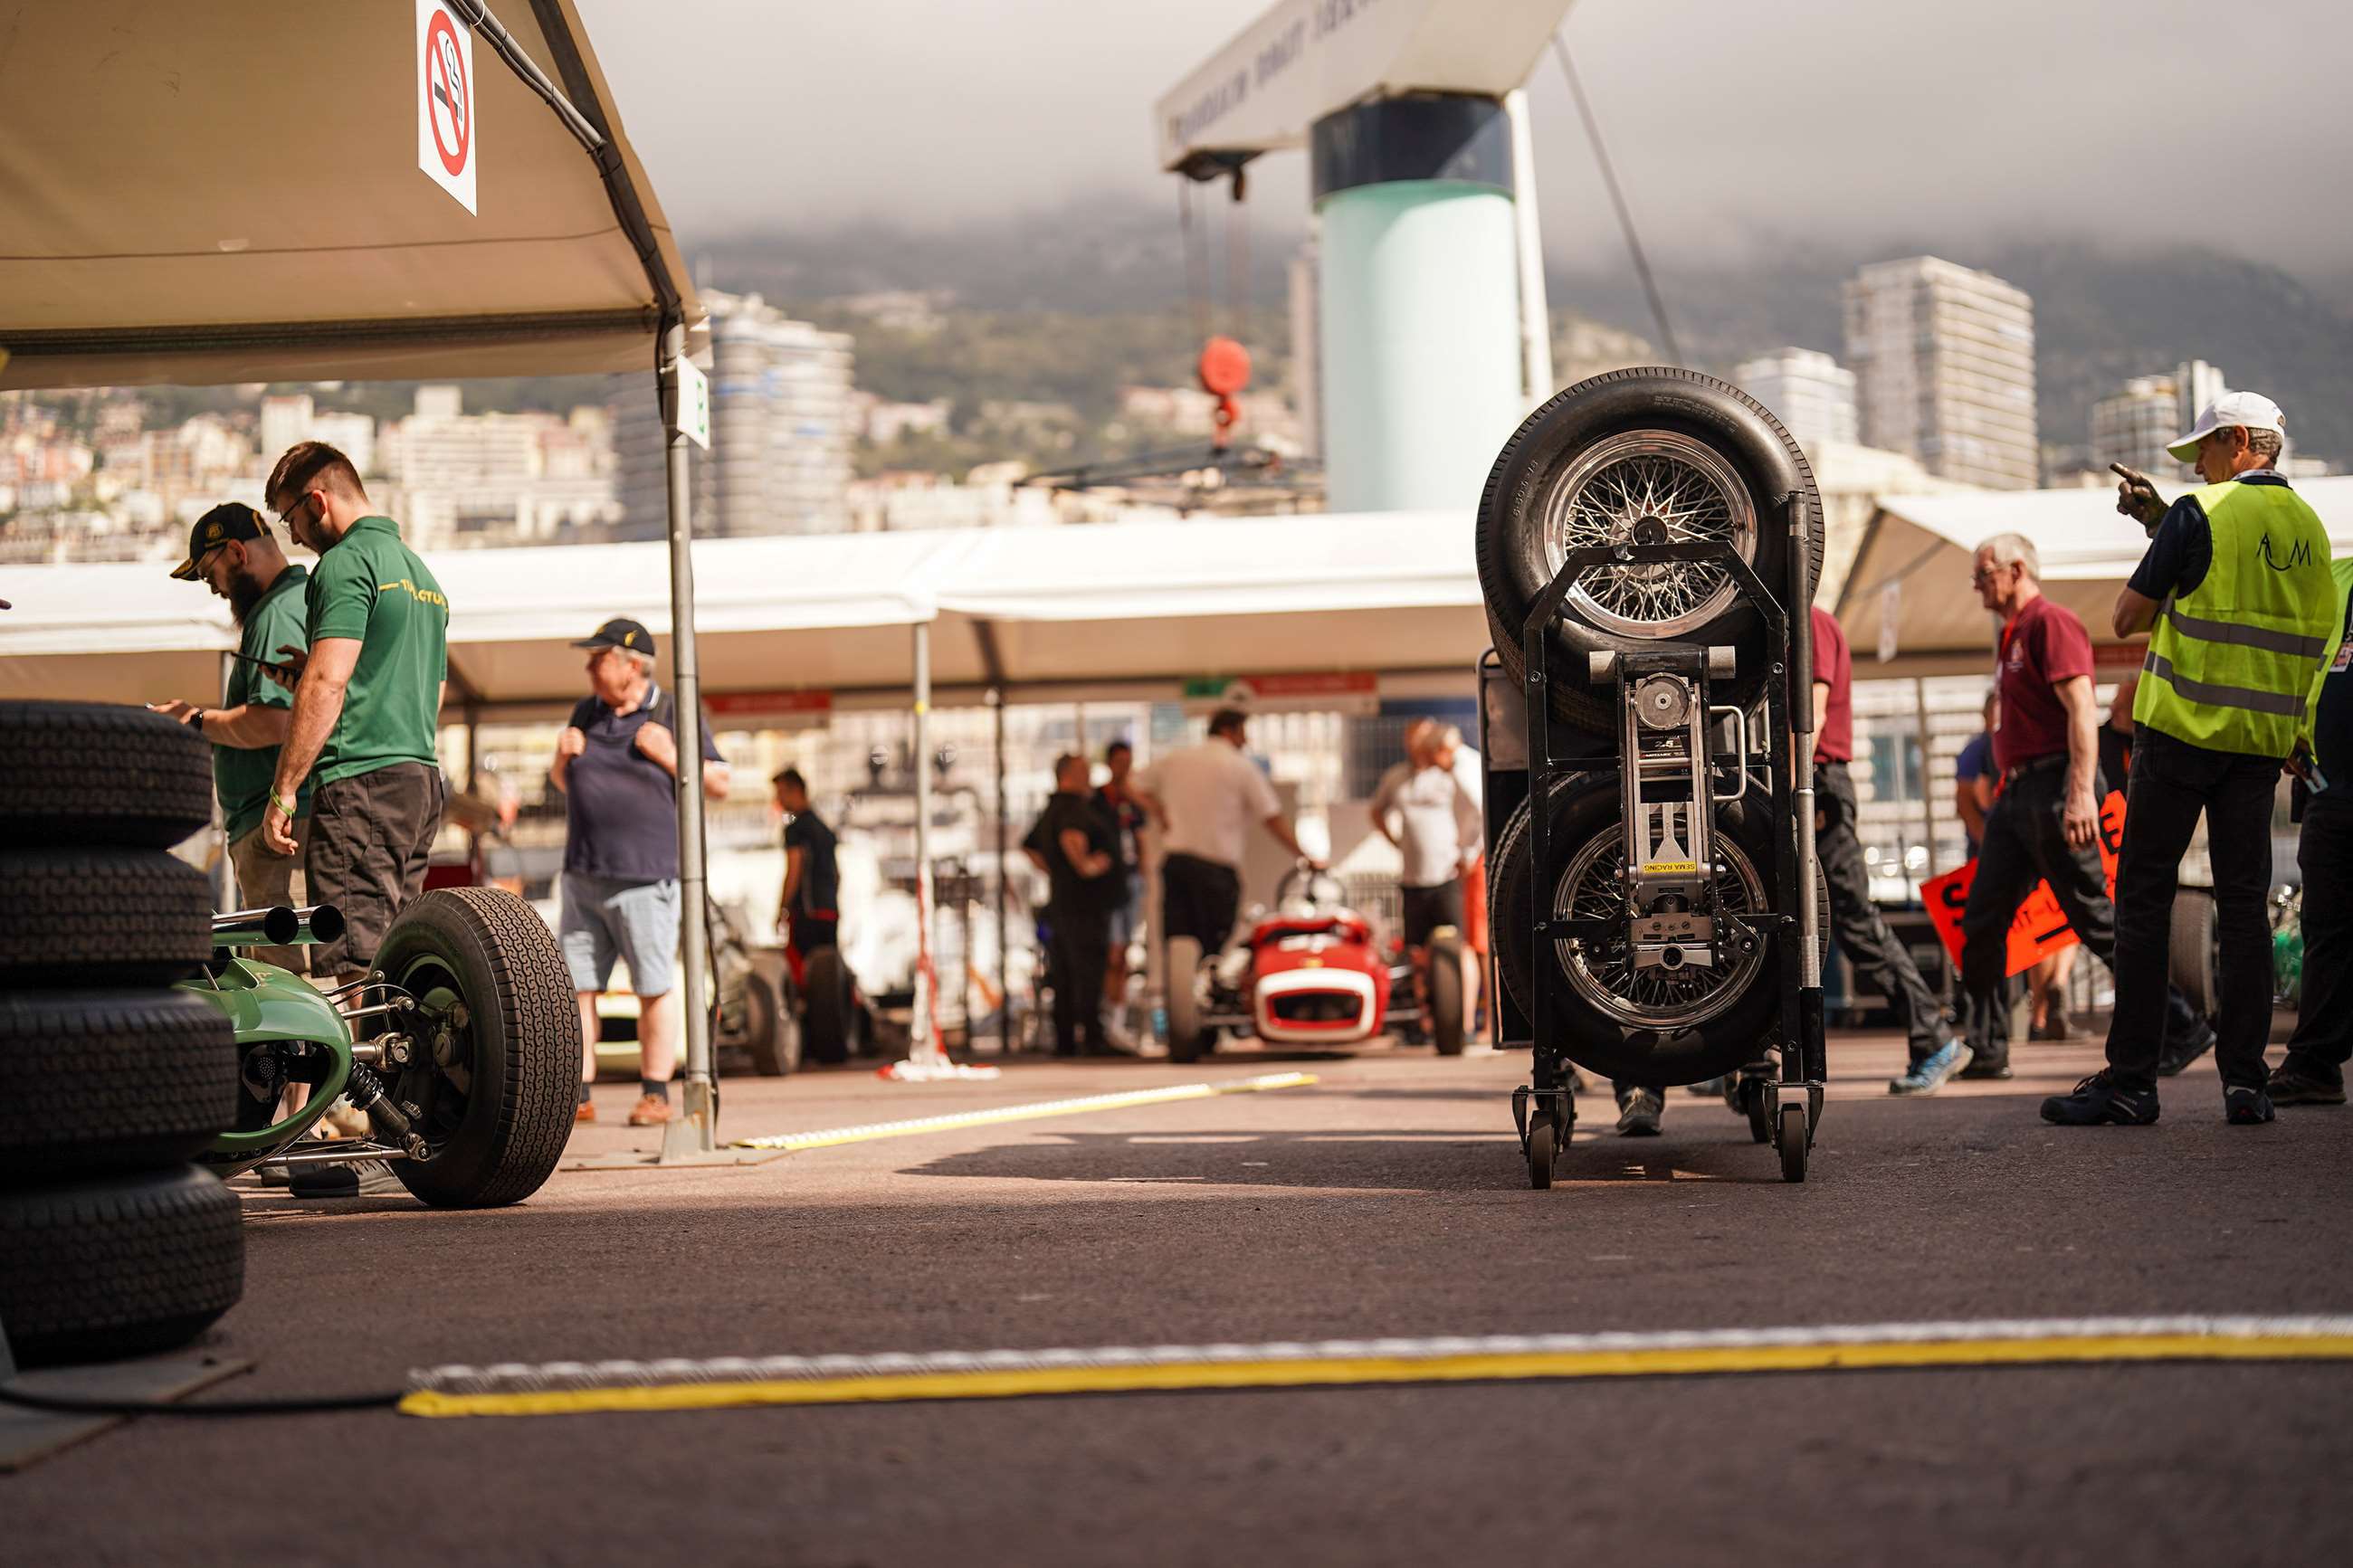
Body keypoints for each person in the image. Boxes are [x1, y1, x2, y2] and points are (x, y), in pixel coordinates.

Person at [2046, 392, 2333, 1126]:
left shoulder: (2198, 514)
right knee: (2244, 909)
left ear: (2240, 441)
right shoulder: (2311, 529)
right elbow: (2306, 639)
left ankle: (2133, 1082)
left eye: (2204, 450)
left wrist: (2163, 529)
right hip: (2260, 748)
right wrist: (2162, 517)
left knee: (2143, 897)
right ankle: (2247, 1082)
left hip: (2180, 735)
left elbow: (2127, 616)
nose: (2198, 465)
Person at [258, 442, 448, 986]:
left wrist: (283, 791)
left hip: (359, 783)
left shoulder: (343, 565)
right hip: (419, 782)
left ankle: (366, 1077)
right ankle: (399, 1073)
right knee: (399, 958)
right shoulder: (422, 575)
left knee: (355, 966)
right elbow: (423, 692)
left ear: (317, 501)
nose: (292, 537)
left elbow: (327, 681)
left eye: (291, 518)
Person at [1939, 533, 2112, 1094]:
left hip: (2055, 786)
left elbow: (2084, 709)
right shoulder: (2012, 633)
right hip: (2018, 796)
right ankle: (1988, 1047)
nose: (1975, 585)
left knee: (2092, 917)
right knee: (1982, 922)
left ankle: (2176, 1024)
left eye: (1982, 574)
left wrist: (2081, 791)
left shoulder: (2050, 622)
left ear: (2015, 570)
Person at [548, 617, 729, 1128]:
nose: (589, 666)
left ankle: (655, 1093)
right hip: (583, 875)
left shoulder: (673, 710)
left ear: (633, 666)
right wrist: (559, 762)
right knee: (579, 989)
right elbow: (566, 784)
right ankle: (578, 1092)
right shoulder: (586, 711)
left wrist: (670, 755)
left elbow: (720, 783)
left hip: (647, 879)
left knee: (652, 986)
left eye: (598, 657)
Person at [1799, 606, 1967, 1098]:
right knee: (1804, 921)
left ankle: (1935, 1040)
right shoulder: (1788, 621)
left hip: (1818, 785)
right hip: (1813, 783)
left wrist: (1791, 792)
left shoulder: (1809, 623)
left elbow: (1813, 710)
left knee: (1854, 920)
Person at [151, 503, 313, 974]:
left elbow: (273, 722)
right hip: (278, 827)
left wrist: (197, 720)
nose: (215, 589)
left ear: (238, 553)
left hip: (278, 832)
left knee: (292, 984)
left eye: (210, 573)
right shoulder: (293, 602)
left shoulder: (274, 612)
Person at [2096, 672, 2221, 1079]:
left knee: (2125, 934)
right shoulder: (2104, 742)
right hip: (2110, 853)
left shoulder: (2155, 739)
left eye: (2125, 700)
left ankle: (2175, 1029)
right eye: (2119, 700)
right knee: (2120, 934)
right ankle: (2174, 1028)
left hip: (2144, 850)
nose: (2119, 707)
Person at [1138, 708, 1319, 983]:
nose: (1245, 742)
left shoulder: (1176, 760)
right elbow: (1272, 818)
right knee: (1212, 950)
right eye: (1243, 734)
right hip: (1215, 871)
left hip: (1176, 866)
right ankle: (1205, 998)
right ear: (1229, 731)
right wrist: (1305, 855)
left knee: (1177, 945)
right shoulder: (1239, 766)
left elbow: (1131, 784)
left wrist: (1158, 812)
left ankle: (1181, 1002)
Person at [2268, 547, 2353, 1107]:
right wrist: (2289, 734)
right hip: (2331, 786)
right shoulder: (2339, 578)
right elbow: (2307, 665)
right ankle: (2316, 1064)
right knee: (2326, 927)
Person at [1369, 718, 1480, 1049]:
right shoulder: (1396, 777)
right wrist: (1396, 842)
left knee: (1457, 947)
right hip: (1412, 880)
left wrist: (1467, 851)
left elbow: (1475, 812)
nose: (1416, 745)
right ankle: (1425, 1022)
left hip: (1446, 875)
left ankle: (1463, 1021)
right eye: (1412, 739)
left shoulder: (1449, 774)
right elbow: (1377, 812)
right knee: (1417, 954)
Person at [1024, 753, 1123, 1057]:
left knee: (1066, 972)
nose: (1088, 775)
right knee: (1086, 970)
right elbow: (1071, 837)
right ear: (1068, 773)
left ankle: (1066, 1038)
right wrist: (1086, 867)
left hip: (1063, 902)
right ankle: (1091, 1036)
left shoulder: (1053, 808)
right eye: (1082, 770)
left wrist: (1057, 870)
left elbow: (1030, 847)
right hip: (1083, 905)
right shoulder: (1073, 809)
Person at [1096, 739, 1150, 1037]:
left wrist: (1145, 872)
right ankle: (1107, 1016)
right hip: (1111, 884)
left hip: (1131, 880)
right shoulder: (1100, 800)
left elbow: (1143, 833)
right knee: (1113, 951)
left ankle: (1117, 1017)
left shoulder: (1134, 800)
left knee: (1125, 950)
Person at [773, 768, 841, 989]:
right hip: (829, 911)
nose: (778, 799)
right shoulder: (824, 829)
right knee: (828, 975)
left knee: (804, 975)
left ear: (796, 791)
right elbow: (837, 874)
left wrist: (782, 909)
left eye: (781, 792)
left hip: (806, 913)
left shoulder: (796, 830)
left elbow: (794, 871)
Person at [1954, 691, 1998, 855]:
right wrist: (1987, 843)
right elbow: (1964, 801)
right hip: (1986, 846)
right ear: (1986, 717)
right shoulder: (1977, 750)